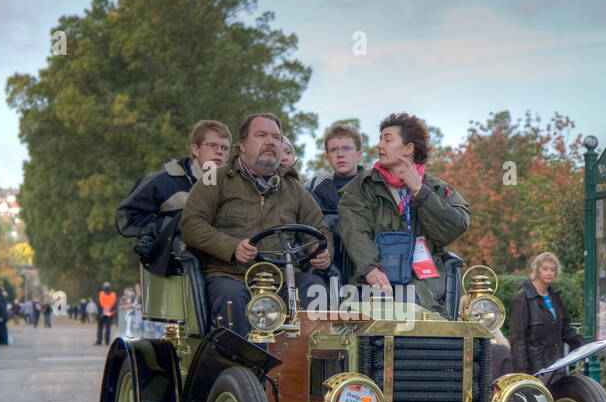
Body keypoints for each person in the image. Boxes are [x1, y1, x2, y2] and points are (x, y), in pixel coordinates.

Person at [180, 112, 333, 339]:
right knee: (233, 298)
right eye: (261, 135)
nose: (270, 141)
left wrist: (322, 251)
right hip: (231, 276)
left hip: (283, 279)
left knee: (314, 287)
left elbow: (319, 229)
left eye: (276, 137)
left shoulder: (295, 187)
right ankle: (243, 369)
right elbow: (192, 224)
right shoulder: (215, 179)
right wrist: (232, 247)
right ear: (241, 145)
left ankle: (307, 365)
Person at [337, 112, 469, 313]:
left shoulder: (436, 189)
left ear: (408, 148)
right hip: (375, 279)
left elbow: (454, 228)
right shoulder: (362, 187)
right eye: (380, 139)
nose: (379, 146)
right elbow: (355, 231)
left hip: (423, 282)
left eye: (387, 140)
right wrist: (369, 268)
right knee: (377, 312)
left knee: (412, 306)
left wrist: (421, 192)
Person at [116, 121, 233, 270]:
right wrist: (171, 226)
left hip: (225, 265)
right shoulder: (162, 182)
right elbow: (125, 219)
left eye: (225, 148)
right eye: (212, 146)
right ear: (195, 149)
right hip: (177, 268)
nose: (219, 152)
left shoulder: (236, 186)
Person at [508, 252, 584, 376]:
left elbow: (565, 329)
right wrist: (522, 374)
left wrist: (582, 345)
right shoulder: (522, 298)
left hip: (557, 366)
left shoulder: (554, 296)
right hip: (535, 369)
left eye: (553, 269)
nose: (549, 273)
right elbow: (517, 340)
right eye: (545, 269)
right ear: (536, 270)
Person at [307, 122, 366, 282]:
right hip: (327, 269)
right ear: (327, 157)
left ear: (358, 154)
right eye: (334, 149)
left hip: (366, 267)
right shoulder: (313, 188)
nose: (340, 154)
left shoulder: (374, 187)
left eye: (346, 148)